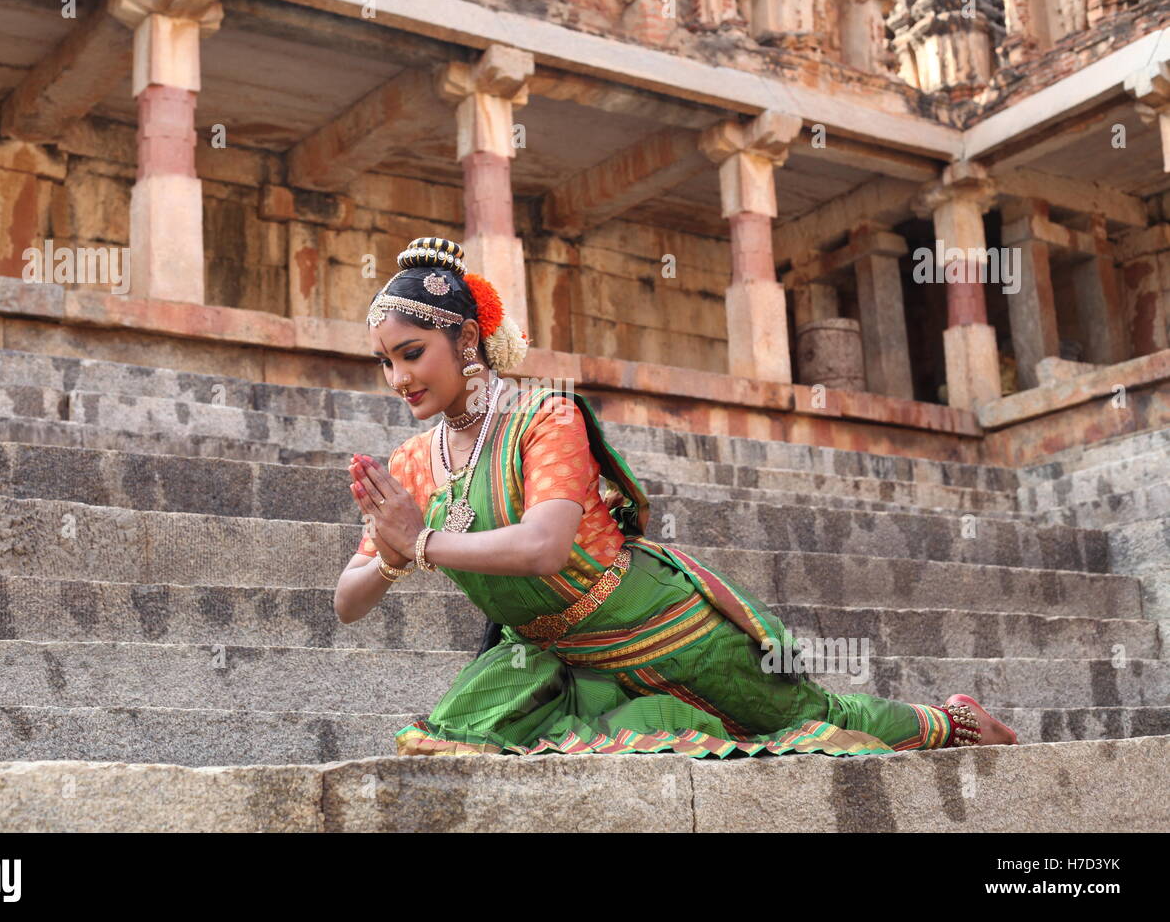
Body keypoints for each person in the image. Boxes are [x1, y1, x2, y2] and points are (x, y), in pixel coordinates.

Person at [333, 236, 1018, 758]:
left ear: (469, 341)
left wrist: (420, 542)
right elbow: (348, 601)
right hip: (551, 655)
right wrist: (392, 555)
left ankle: (953, 721)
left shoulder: (546, 419)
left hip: (662, 626)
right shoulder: (412, 463)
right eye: (385, 361)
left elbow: (544, 548)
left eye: (412, 353)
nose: (397, 377)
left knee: (801, 719)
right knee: (455, 737)